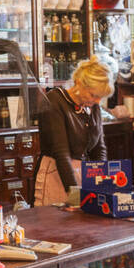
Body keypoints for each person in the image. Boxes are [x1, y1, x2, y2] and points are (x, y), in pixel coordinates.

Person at [34, 58, 114, 206]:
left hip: (84, 174)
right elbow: (61, 152)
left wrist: (102, 183)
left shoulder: (92, 105)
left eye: (100, 97)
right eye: (93, 95)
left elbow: (98, 148)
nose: (97, 101)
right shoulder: (54, 101)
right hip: (56, 175)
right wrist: (75, 194)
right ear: (79, 83)